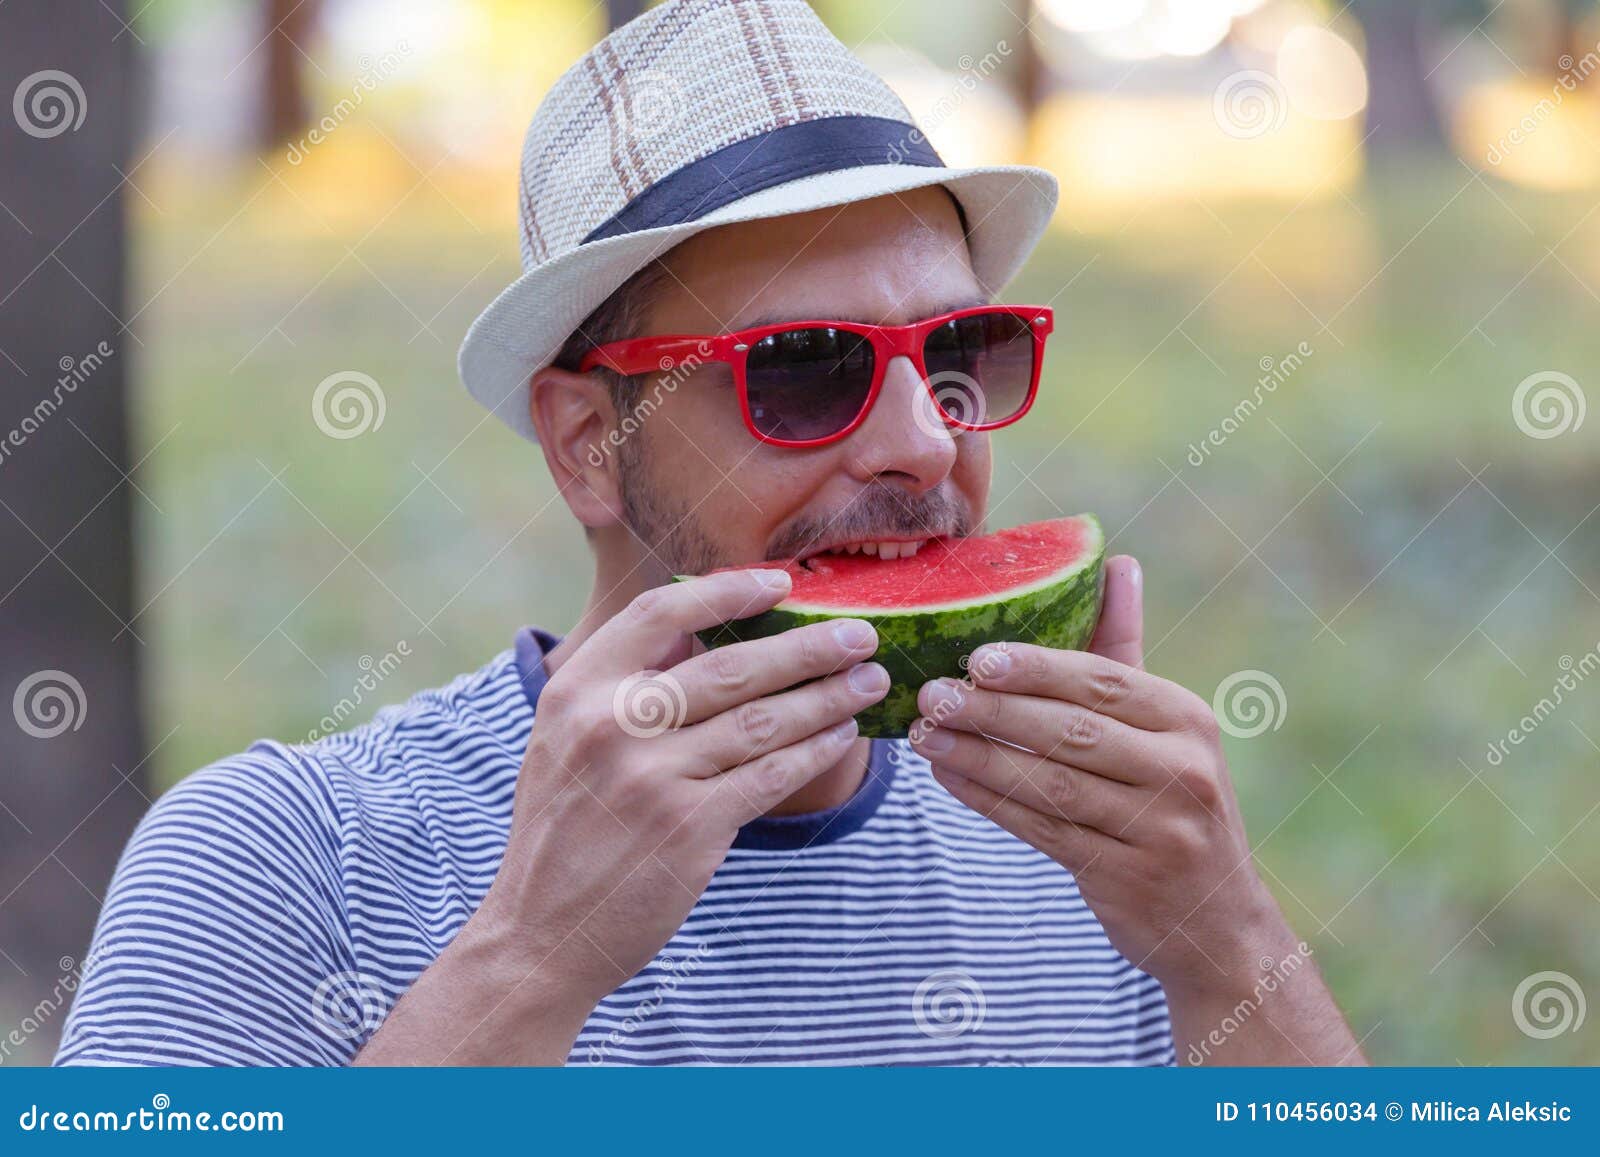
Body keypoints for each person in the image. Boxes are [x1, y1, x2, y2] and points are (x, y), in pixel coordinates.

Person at [57, 0, 1360, 1066]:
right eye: (801, 368)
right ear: (589, 445)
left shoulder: (1086, 858)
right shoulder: (287, 864)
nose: (923, 438)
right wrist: (529, 961)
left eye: (958, 353)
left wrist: (1226, 942)